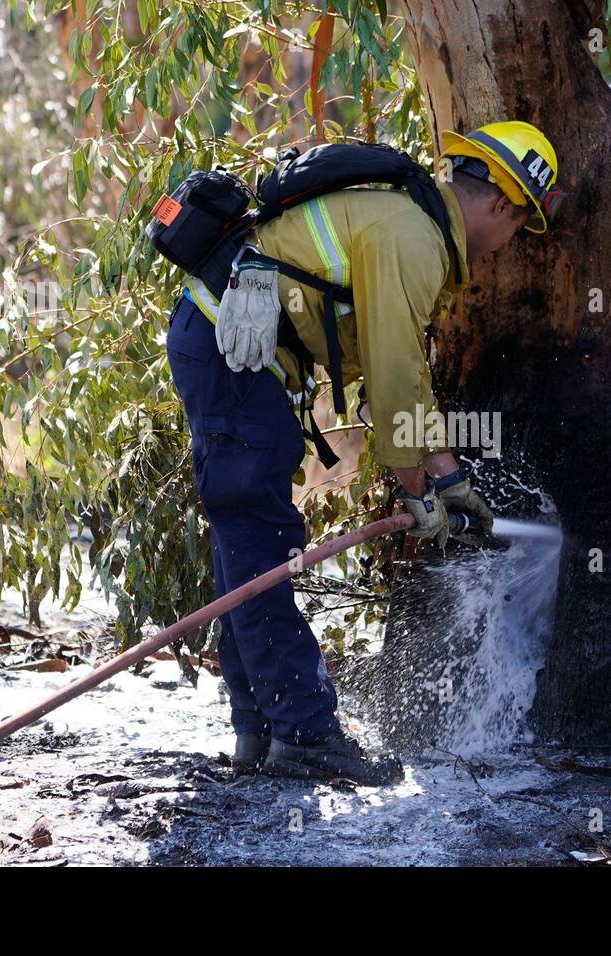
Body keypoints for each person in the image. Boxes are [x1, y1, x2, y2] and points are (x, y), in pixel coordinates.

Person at [164, 121, 560, 785]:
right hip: (232, 356)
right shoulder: (414, 237)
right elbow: (395, 378)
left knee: (245, 542)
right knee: (259, 538)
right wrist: (416, 492)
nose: (510, 242)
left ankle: (258, 729)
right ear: (500, 206)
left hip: (224, 350)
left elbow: (400, 379)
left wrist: (447, 479)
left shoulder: (405, 221)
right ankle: (305, 734)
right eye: (522, 225)